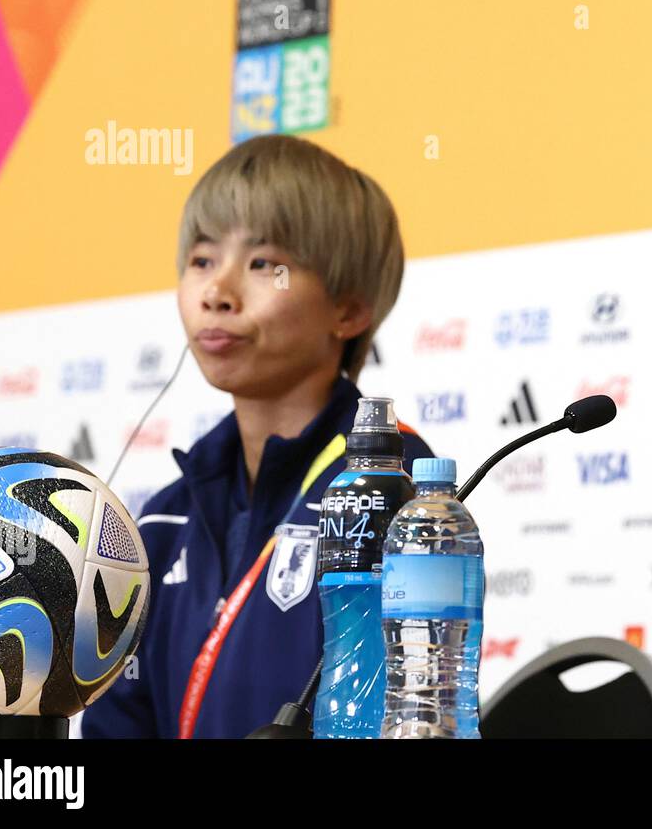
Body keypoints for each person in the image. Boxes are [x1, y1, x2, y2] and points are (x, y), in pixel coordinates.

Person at [82, 134, 434, 738]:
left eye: (263, 263)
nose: (216, 293)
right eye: (201, 260)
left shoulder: (386, 487)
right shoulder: (163, 522)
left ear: (348, 311)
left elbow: (402, 713)